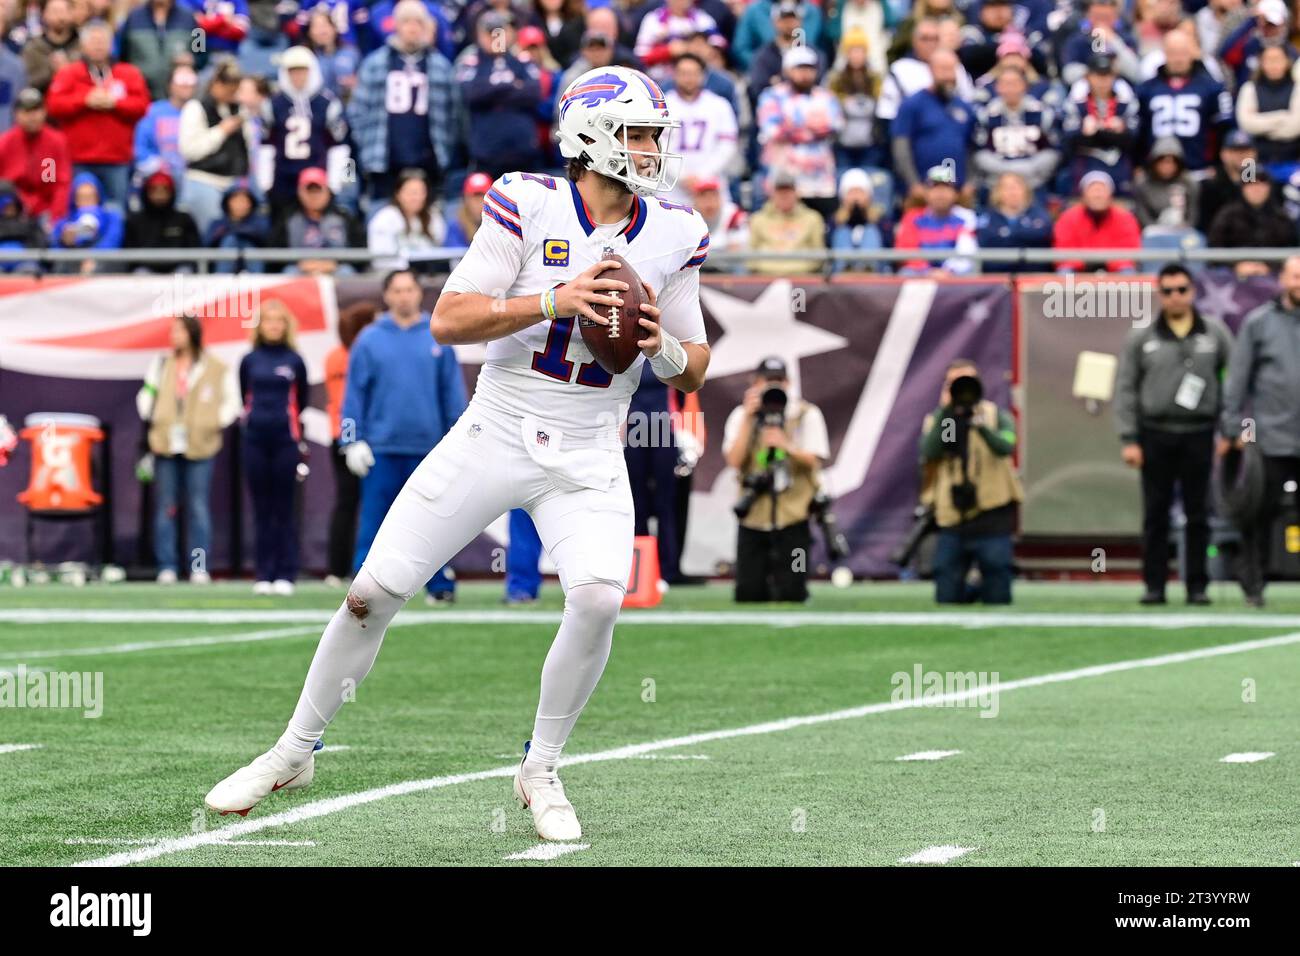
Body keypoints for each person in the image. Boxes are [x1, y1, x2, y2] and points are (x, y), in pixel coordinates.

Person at [205, 65, 710, 844]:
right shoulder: (526, 200)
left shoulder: (676, 230)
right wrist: (552, 300)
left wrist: (664, 347)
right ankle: (293, 749)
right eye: (636, 134)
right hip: (499, 424)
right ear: (589, 137)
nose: (649, 151)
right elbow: (449, 320)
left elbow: (698, 363)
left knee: (601, 598)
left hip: (588, 446)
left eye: (652, 136)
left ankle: (540, 768)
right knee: (373, 591)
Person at [339, 269, 465, 603]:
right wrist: (350, 439)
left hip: (429, 449)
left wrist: (460, 440)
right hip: (381, 448)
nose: (403, 296)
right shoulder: (369, 339)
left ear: (418, 294)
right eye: (397, 290)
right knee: (374, 521)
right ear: (387, 295)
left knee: (432, 523)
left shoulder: (438, 335)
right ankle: (361, 589)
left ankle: (439, 586)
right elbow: (353, 396)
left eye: (409, 289)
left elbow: (452, 396)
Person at [1115, 264, 1233, 605]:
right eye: (1168, 291)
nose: (1175, 297)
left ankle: (1197, 585)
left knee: (1198, 513)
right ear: (1159, 294)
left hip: (1199, 432)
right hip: (1155, 434)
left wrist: (1235, 431)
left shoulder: (1215, 334)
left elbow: (1235, 384)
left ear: (1192, 291)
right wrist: (1129, 438)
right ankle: (1155, 585)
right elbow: (1125, 389)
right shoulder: (1143, 336)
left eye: (1181, 289)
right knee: (1155, 513)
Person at [1217, 255, 1300, 607]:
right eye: (1296, 275)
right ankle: (1254, 583)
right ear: (1282, 279)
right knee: (1259, 513)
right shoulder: (1259, 323)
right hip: (1270, 438)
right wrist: (1233, 426)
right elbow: (1238, 380)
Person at [136, 314, 240, 585]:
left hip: (200, 444)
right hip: (166, 443)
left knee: (198, 507)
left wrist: (213, 422)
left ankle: (198, 565)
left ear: (192, 333)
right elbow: (146, 394)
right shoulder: (162, 364)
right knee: (166, 507)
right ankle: (167, 565)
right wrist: (156, 416)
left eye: (179, 331)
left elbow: (232, 402)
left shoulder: (215, 366)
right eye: (172, 331)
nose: (174, 336)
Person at [722, 356, 829, 603]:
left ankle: (797, 583)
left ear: (789, 383)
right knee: (748, 594)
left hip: (793, 516)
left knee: (794, 592)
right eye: (767, 380)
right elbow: (734, 461)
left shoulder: (805, 414)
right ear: (755, 383)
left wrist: (786, 445)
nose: (773, 385)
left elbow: (814, 460)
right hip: (753, 516)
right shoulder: (741, 415)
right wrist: (750, 419)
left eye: (778, 380)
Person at [920, 357, 1023, 604]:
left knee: (998, 594)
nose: (961, 390)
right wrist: (947, 412)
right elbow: (931, 451)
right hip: (953, 516)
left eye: (967, 383)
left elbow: (1006, 446)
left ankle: (984, 587)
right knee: (946, 596)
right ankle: (970, 589)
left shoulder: (996, 415)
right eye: (954, 384)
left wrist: (980, 425)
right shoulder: (942, 420)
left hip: (992, 512)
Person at [348, 0, 458, 203]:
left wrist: (444, 148)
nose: (412, 28)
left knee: (427, 224)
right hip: (384, 159)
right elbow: (357, 111)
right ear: (396, 25)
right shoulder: (375, 63)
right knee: (382, 218)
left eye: (418, 22)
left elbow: (453, 115)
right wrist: (368, 144)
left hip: (428, 160)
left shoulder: (441, 66)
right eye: (407, 22)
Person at [239, 300, 309, 596]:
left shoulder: (294, 361)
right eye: (268, 320)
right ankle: (263, 573)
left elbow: (301, 399)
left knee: (284, 508)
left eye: (279, 321)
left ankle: (286, 572)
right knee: (261, 508)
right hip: (255, 440)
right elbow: (244, 393)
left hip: (285, 441)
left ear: (286, 326)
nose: (273, 326)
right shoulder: (249, 360)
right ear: (260, 325)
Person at [44, 19, 150, 210]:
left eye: (103, 42)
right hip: (78, 158)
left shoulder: (129, 73)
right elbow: (53, 106)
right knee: (77, 210)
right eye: (93, 42)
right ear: (83, 46)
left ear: (112, 45)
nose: (99, 46)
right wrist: (84, 100)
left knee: (116, 210)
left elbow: (142, 106)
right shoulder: (69, 73)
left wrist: (115, 103)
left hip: (117, 159)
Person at [756, 45, 842, 222]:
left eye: (809, 68)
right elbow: (772, 130)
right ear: (787, 70)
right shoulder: (772, 96)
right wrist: (812, 129)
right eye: (799, 68)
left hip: (820, 180)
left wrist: (793, 128)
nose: (804, 74)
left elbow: (835, 125)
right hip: (783, 176)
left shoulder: (825, 97)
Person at [323, 302, 376, 588]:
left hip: (340, 435)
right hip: (356, 437)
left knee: (346, 504)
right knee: (361, 504)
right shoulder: (357, 356)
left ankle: (337, 568)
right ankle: (356, 566)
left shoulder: (334, 357)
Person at [265, 45, 349, 220]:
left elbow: (339, 145)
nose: (298, 77)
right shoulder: (274, 104)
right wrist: (265, 180)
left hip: (317, 178)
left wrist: (335, 183)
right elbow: (266, 145)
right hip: (283, 178)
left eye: (302, 71)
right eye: (292, 72)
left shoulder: (327, 103)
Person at [178, 59, 253, 235]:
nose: (231, 94)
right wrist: (221, 131)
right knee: (210, 235)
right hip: (204, 180)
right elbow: (189, 150)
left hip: (234, 183)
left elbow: (246, 147)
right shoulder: (195, 107)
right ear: (217, 83)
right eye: (228, 89)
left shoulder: (238, 109)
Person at [891, 47, 975, 196]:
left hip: (958, 193)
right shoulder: (912, 105)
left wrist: (970, 182)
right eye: (943, 70)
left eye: (952, 70)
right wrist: (914, 184)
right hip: (922, 191)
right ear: (930, 70)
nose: (949, 76)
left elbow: (970, 148)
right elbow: (901, 148)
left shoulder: (964, 107)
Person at [663, 52, 738, 204]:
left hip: (711, 185)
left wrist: (703, 176)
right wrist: (681, 176)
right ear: (674, 75)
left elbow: (727, 146)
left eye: (693, 73)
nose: (688, 78)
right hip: (671, 188)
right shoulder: (662, 105)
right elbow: (658, 147)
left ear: (703, 76)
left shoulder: (719, 105)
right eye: (683, 73)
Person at [271, 166, 366, 274]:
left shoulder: (344, 217)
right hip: (300, 268)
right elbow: (274, 255)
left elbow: (359, 252)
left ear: (327, 192)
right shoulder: (287, 218)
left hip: (336, 268)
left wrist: (334, 264)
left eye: (318, 190)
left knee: (346, 272)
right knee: (289, 272)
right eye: (309, 191)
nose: (314, 196)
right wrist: (301, 264)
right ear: (299, 192)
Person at [1206, 169, 1297, 277]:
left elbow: (1292, 250)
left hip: (1273, 276)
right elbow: (1214, 249)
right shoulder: (1227, 216)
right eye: (1251, 184)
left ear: (1270, 188)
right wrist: (1236, 265)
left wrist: (1270, 267)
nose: (1256, 188)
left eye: (1262, 183)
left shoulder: (1282, 218)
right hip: (1232, 276)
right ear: (1242, 188)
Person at [0, 87, 71, 225]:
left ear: (44, 112)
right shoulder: (5, 143)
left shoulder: (56, 141)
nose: (32, 116)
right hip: (12, 214)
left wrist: (55, 218)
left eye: (36, 110)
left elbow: (61, 185)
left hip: (46, 213)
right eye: (26, 111)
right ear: (16, 114)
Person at [894, 164, 977, 276]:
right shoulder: (913, 217)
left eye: (946, 187)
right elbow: (905, 251)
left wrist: (948, 271)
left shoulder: (966, 217)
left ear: (956, 194)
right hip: (921, 275)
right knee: (906, 273)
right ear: (926, 193)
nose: (940, 193)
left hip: (953, 276)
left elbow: (966, 253)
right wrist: (928, 271)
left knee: (969, 274)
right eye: (935, 187)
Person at [1053, 170, 1142, 273]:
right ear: (1083, 195)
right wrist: (1086, 262)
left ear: (1110, 195)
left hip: (1115, 269)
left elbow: (1130, 252)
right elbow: (1062, 252)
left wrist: (1106, 263)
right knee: (1064, 272)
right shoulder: (1068, 218)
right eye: (1093, 190)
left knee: (1128, 272)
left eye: (1102, 190)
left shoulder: (1125, 218)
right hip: (1079, 269)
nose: (1097, 195)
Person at [747, 170, 826, 274]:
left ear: (796, 193)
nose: (784, 195)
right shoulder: (758, 219)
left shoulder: (812, 219)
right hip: (765, 278)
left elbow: (819, 256)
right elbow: (749, 258)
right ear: (773, 194)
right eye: (780, 191)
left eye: (788, 190)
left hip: (802, 279)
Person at [975, 171, 1052, 273]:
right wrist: (1022, 238)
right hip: (996, 275)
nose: (1012, 192)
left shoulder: (1039, 214)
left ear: (1025, 190)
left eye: (1016, 187)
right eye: (1007, 188)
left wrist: (1006, 235)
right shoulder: (987, 217)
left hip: (1033, 274)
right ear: (998, 192)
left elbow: (1041, 234)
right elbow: (985, 241)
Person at [124, 167, 199, 271]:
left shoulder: (184, 218)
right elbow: (129, 253)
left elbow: (194, 250)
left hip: (178, 269)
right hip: (146, 270)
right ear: (146, 192)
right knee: (140, 273)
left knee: (184, 272)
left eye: (164, 190)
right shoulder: (135, 220)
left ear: (172, 192)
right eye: (154, 190)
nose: (159, 195)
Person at [133, 64, 196, 183]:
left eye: (191, 79)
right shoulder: (153, 111)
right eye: (181, 79)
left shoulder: (203, 112)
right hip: (157, 178)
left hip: (193, 178)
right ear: (170, 85)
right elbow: (140, 148)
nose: (186, 84)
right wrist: (157, 166)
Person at [444, 171, 489, 247]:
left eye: (483, 198)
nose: (479, 203)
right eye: (475, 198)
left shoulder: (498, 225)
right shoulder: (456, 226)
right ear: (466, 199)